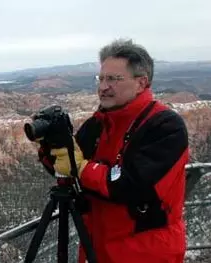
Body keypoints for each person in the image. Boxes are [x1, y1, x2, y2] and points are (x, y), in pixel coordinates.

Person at [39, 39, 189, 263]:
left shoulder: (165, 127)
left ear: (141, 83)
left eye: (113, 79)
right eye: (101, 78)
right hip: (96, 248)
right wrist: (50, 147)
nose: (103, 87)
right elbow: (67, 171)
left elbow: (132, 185)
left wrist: (82, 167)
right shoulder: (98, 124)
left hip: (146, 252)